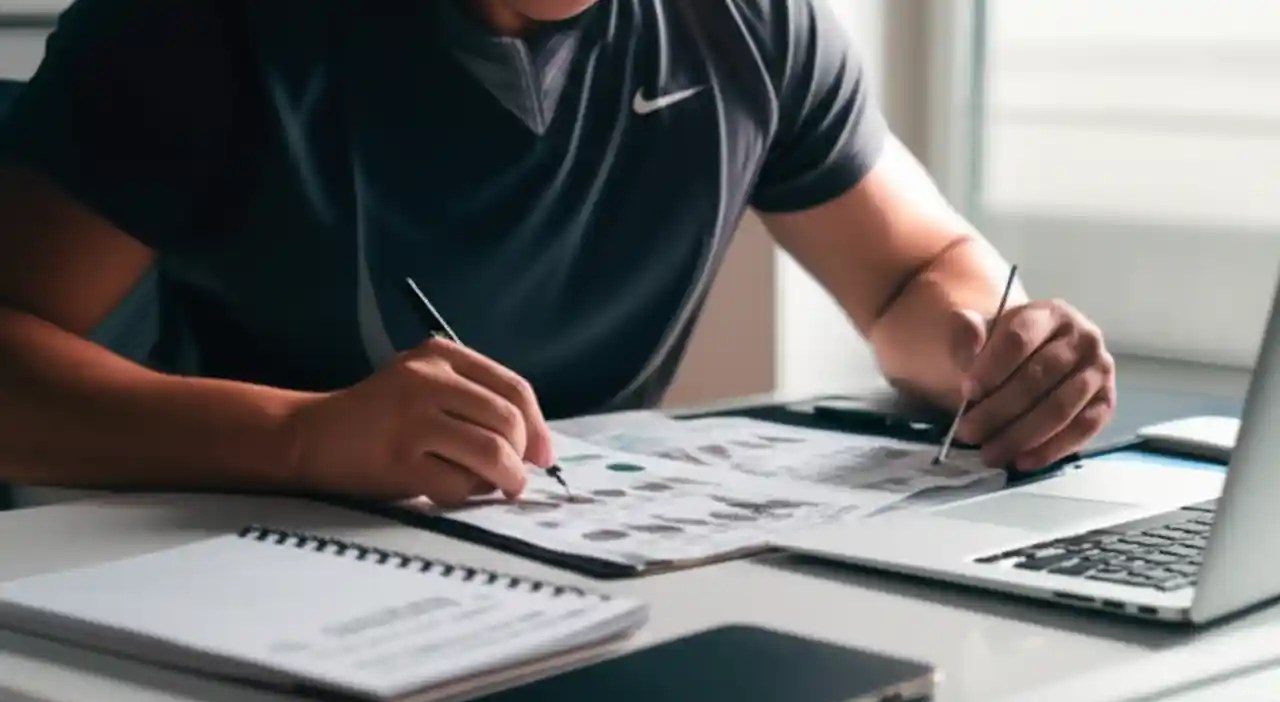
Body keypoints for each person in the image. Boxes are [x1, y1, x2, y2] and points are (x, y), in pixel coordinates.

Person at [0, 0, 1115, 507]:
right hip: (213, 571)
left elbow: (918, 274)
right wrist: (302, 436)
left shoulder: (748, 24)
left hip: (582, 571)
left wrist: (995, 352)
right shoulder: (197, 24)